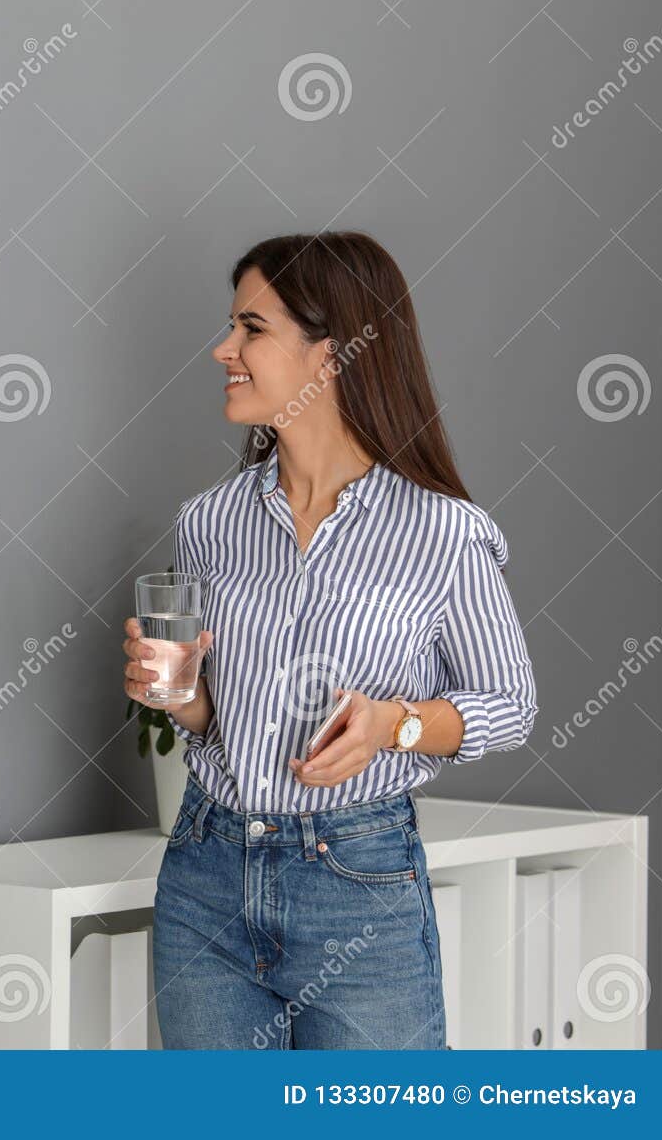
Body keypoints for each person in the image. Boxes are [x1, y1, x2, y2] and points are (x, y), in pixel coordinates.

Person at [124, 231, 537, 1049]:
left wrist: (395, 723)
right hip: (207, 871)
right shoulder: (210, 520)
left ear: (334, 354)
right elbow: (210, 722)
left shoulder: (442, 531)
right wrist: (186, 698)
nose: (224, 350)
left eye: (251, 328)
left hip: (358, 882)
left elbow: (510, 705)